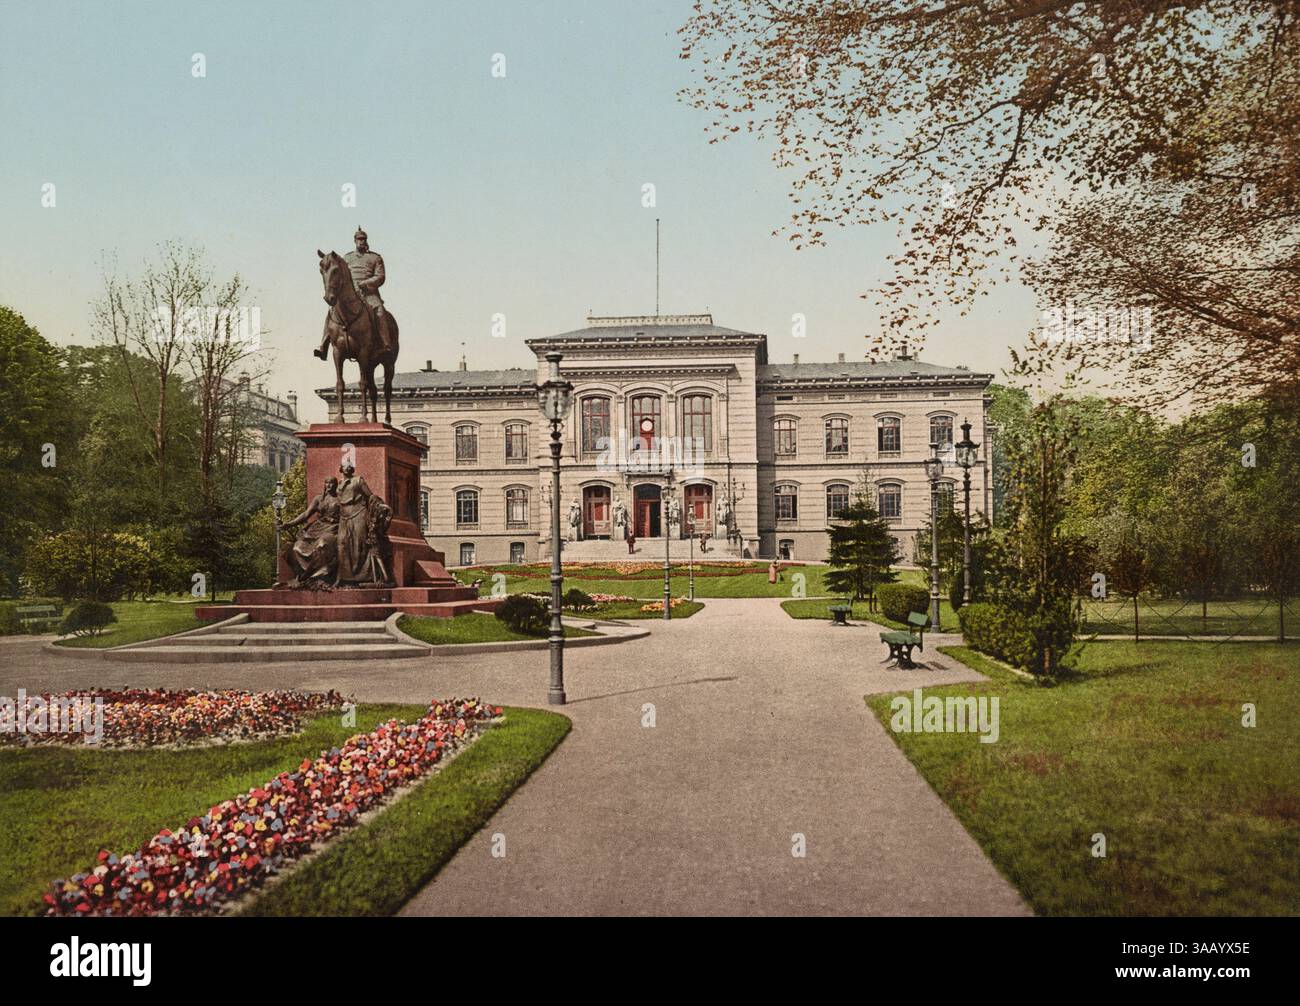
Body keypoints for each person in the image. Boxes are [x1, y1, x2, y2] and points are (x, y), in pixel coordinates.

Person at [315, 227, 393, 359]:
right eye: (359, 239)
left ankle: (385, 345)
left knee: (379, 310)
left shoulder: (375, 258)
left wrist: (365, 284)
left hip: (368, 293)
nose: (361, 242)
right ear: (355, 241)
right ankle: (323, 345)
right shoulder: (347, 258)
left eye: (363, 239)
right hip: (350, 294)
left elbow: (380, 276)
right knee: (332, 311)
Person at [280, 477, 340, 586]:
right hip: (317, 528)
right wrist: (290, 523)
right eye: (326, 483)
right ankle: (304, 576)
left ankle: (318, 577)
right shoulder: (319, 499)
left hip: (333, 527)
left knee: (322, 545)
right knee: (297, 547)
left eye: (331, 483)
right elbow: (306, 514)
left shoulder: (340, 499)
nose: (329, 485)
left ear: (336, 485)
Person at [334, 462, 375, 585]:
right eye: (344, 466)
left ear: (352, 469)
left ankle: (362, 576)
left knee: (359, 544)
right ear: (340, 469)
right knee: (342, 544)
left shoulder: (358, 480)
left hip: (358, 513)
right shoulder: (339, 484)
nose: (347, 468)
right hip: (344, 516)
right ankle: (345, 577)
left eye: (349, 466)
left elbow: (370, 497)